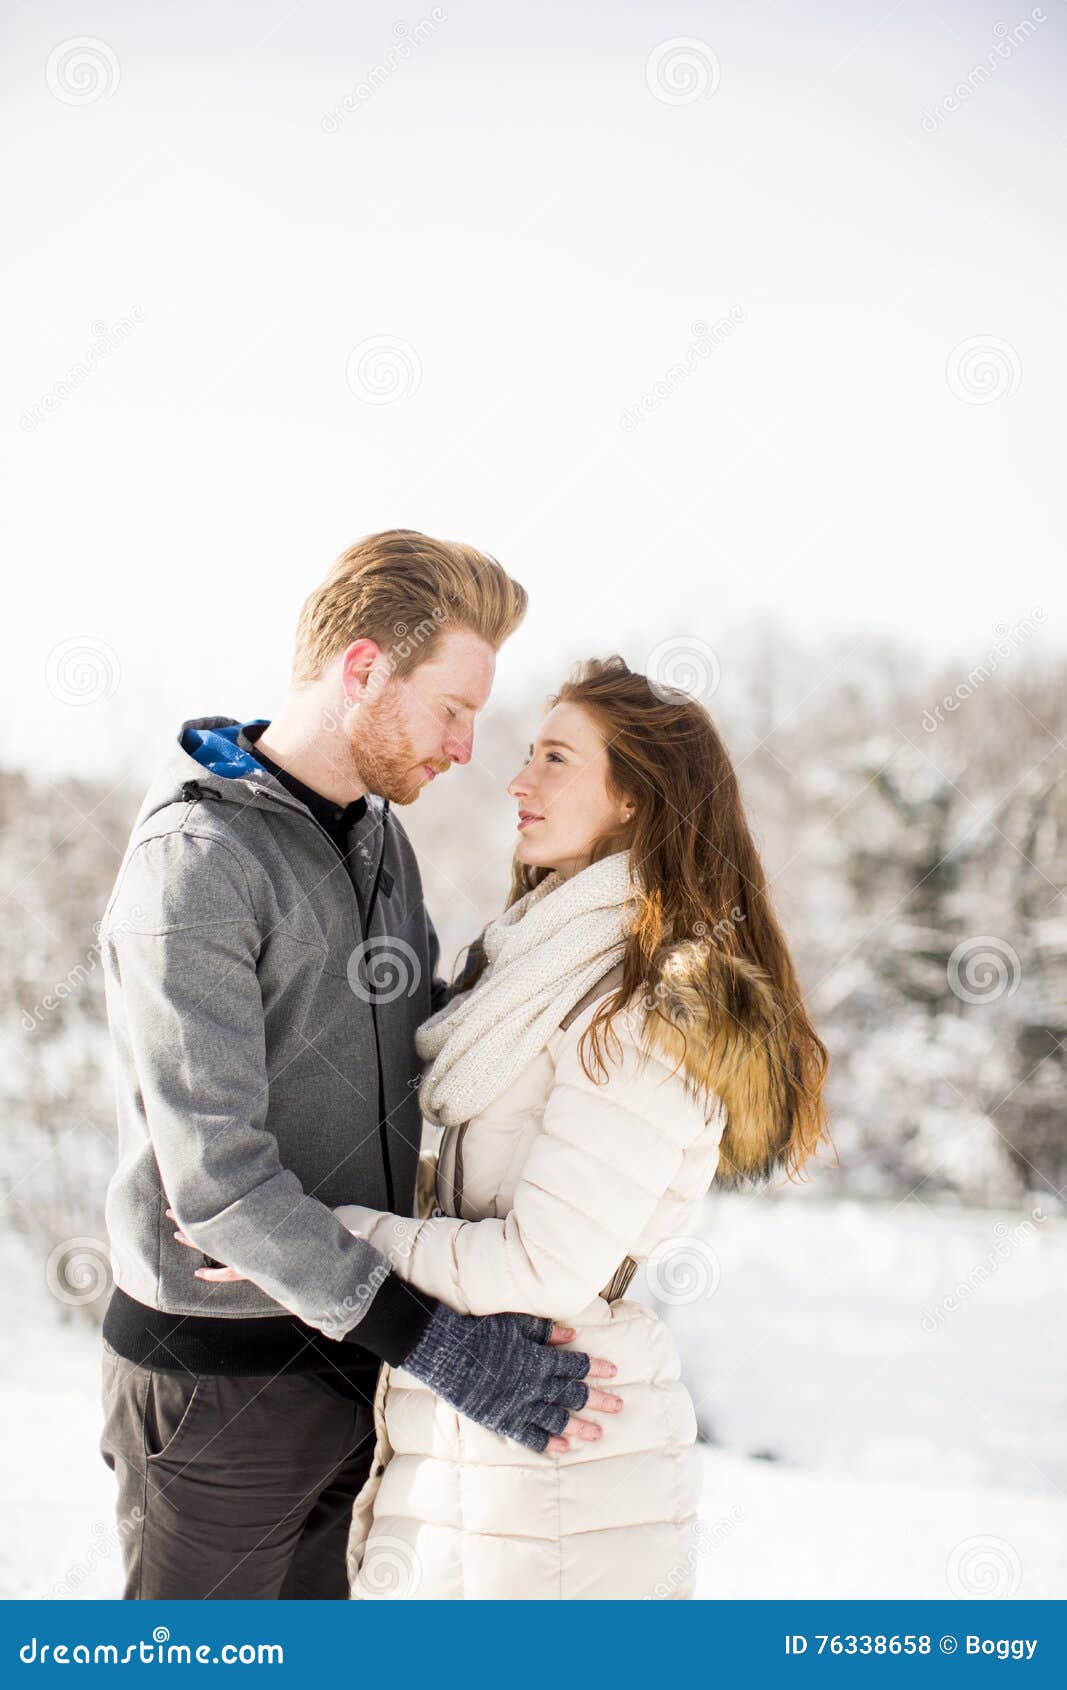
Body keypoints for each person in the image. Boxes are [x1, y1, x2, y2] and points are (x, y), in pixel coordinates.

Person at [183, 653, 831, 1599]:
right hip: (470, 1433)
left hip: (561, 1448)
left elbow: (545, 1266)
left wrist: (317, 1240)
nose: (517, 780)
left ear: (637, 802)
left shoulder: (641, 1007)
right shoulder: (530, 965)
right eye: (527, 753)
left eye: (557, 760)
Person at [97, 531, 617, 1601]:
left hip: (351, 1357)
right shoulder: (197, 865)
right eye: (452, 709)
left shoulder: (375, 836)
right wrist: (444, 1347)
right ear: (364, 669)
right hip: (219, 1387)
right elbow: (222, 1187)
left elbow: (408, 1042)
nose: (468, 748)